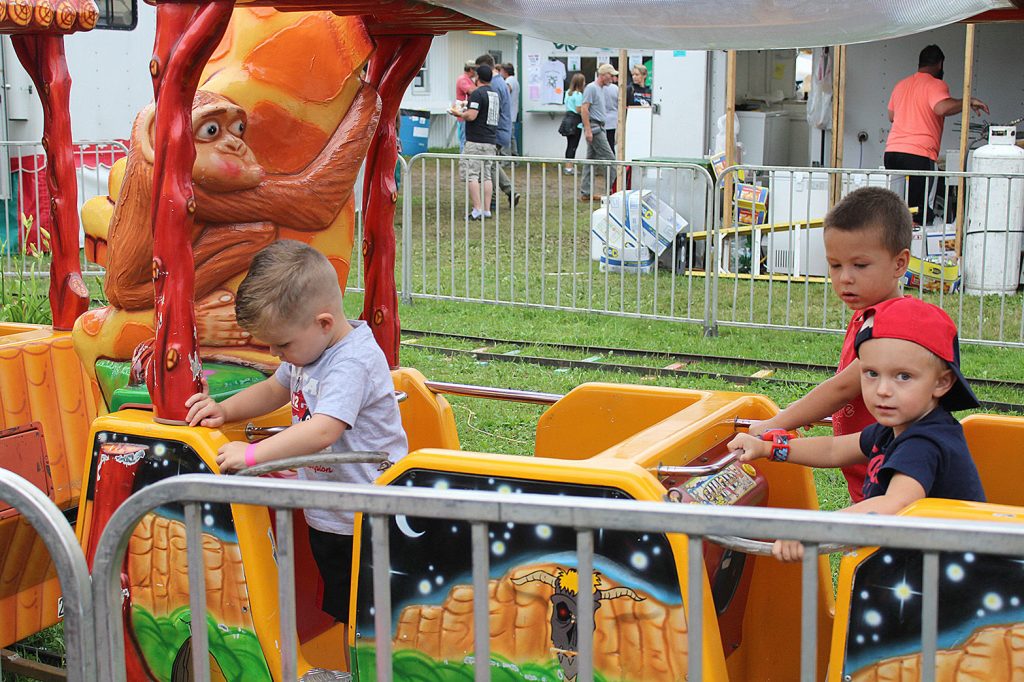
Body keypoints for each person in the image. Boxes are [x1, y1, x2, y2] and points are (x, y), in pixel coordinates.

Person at [185, 239, 408, 626]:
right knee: (348, 611)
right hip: (331, 514)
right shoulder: (311, 351)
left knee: (367, 620)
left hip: (369, 518)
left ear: (323, 323)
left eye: (282, 343)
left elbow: (322, 430)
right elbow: (275, 388)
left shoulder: (351, 362)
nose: (275, 352)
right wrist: (224, 410)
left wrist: (253, 454)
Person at [729, 296, 984, 562]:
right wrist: (769, 447)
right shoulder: (895, 428)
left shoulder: (924, 442)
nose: (883, 390)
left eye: (903, 376)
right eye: (872, 373)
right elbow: (833, 449)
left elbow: (896, 503)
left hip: (947, 586)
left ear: (942, 383)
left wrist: (815, 530)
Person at [749, 187, 912, 503]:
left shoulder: (890, 326)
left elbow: (841, 389)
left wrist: (774, 424)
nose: (845, 278)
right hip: (868, 472)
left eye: (860, 265)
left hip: (889, 482)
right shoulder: (868, 315)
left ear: (899, 263)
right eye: (835, 266)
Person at [884, 44, 988, 225]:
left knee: (896, 210)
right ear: (940, 64)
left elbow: (891, 116)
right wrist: (968, 101)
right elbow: (942, 108)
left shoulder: (901, 84)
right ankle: (916, 249)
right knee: (919, 212)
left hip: (892, 153)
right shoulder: (935, 84)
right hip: (919, 155)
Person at [449, 63, 500, 220]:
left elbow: (472, 115)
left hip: (475, 140)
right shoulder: (494, 94)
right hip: (490, 139)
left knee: (472, 174)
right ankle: (486, 210)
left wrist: (457, 113)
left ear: (478, 78)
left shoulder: (478, 93)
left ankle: (476, 209)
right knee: (486, 176)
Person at [476, 54, 521, 208]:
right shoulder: (501, 82)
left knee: (489, 166)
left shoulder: (494, 85)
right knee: (493, 164)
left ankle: (492, 201)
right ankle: (509, 191)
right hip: (503, 129)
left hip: (495, 131)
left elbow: (491, 110)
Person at [579, 64, 617, 202]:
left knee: (590, 161)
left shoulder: (600, 89)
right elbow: (584, 109)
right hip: (595, 128)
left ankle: (586, 192)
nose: (612, 78)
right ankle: (613, 191)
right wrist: (588, 129)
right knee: (611, 159)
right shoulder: (591, 88)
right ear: (603, 75)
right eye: (610, 75)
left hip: (599, 126)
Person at [562, 72, 586, 175]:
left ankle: (568, 166)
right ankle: (569, 168)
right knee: (573, 145)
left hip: (567, 120)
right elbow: (578, 109)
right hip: (576, 122)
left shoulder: (568, 93)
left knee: (569, 144)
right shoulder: (578, 95)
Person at [455, 60, 477, 152]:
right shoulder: (463, 79)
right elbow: (472, 92)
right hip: (463, 114)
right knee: (464, 139)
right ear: (471, 69)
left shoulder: (469, 80)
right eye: (475, 69)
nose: (476, 72)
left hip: (467, 113)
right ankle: (463, 160)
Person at [500, 63, 521, 155]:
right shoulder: (515, 81)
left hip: (508, 114)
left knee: (506, 136)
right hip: (513, 113)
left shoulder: (508, 81)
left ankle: (506, 158)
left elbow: (505, 94)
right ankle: (514, 155)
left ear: (505, 71)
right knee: (511, 137)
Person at [603, 69, 620, 153]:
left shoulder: (597, 87)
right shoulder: (616, 88)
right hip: (613, 120)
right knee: (611, 144)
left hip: (601, 120)